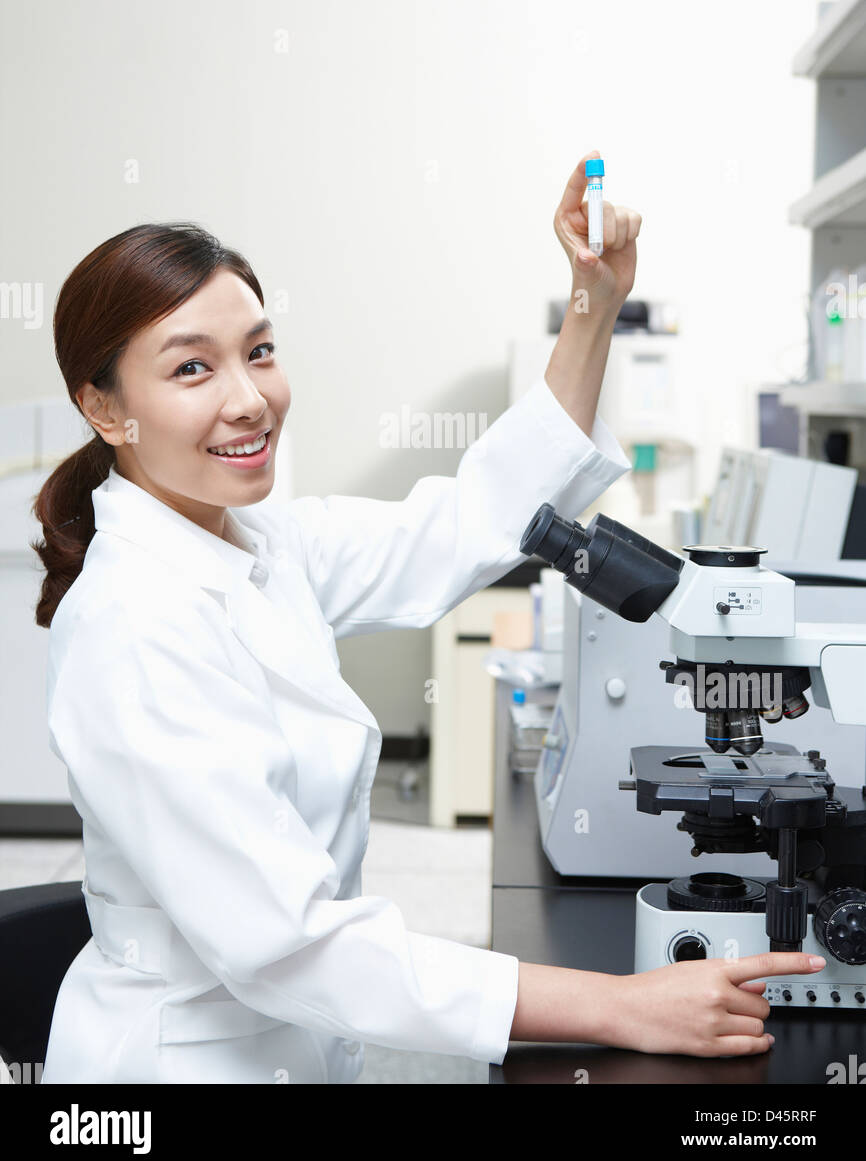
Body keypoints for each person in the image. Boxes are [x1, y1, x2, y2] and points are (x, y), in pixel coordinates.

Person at [34, 154, 825, 1084]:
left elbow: (475, 520)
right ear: (104, 407)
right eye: (192, 368)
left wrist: (594, 299)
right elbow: (293, 947)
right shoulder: (133, 628)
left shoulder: (257, 543)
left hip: (301, 1041)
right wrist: (616, 1004)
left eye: (259, 351)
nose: (248, 398)